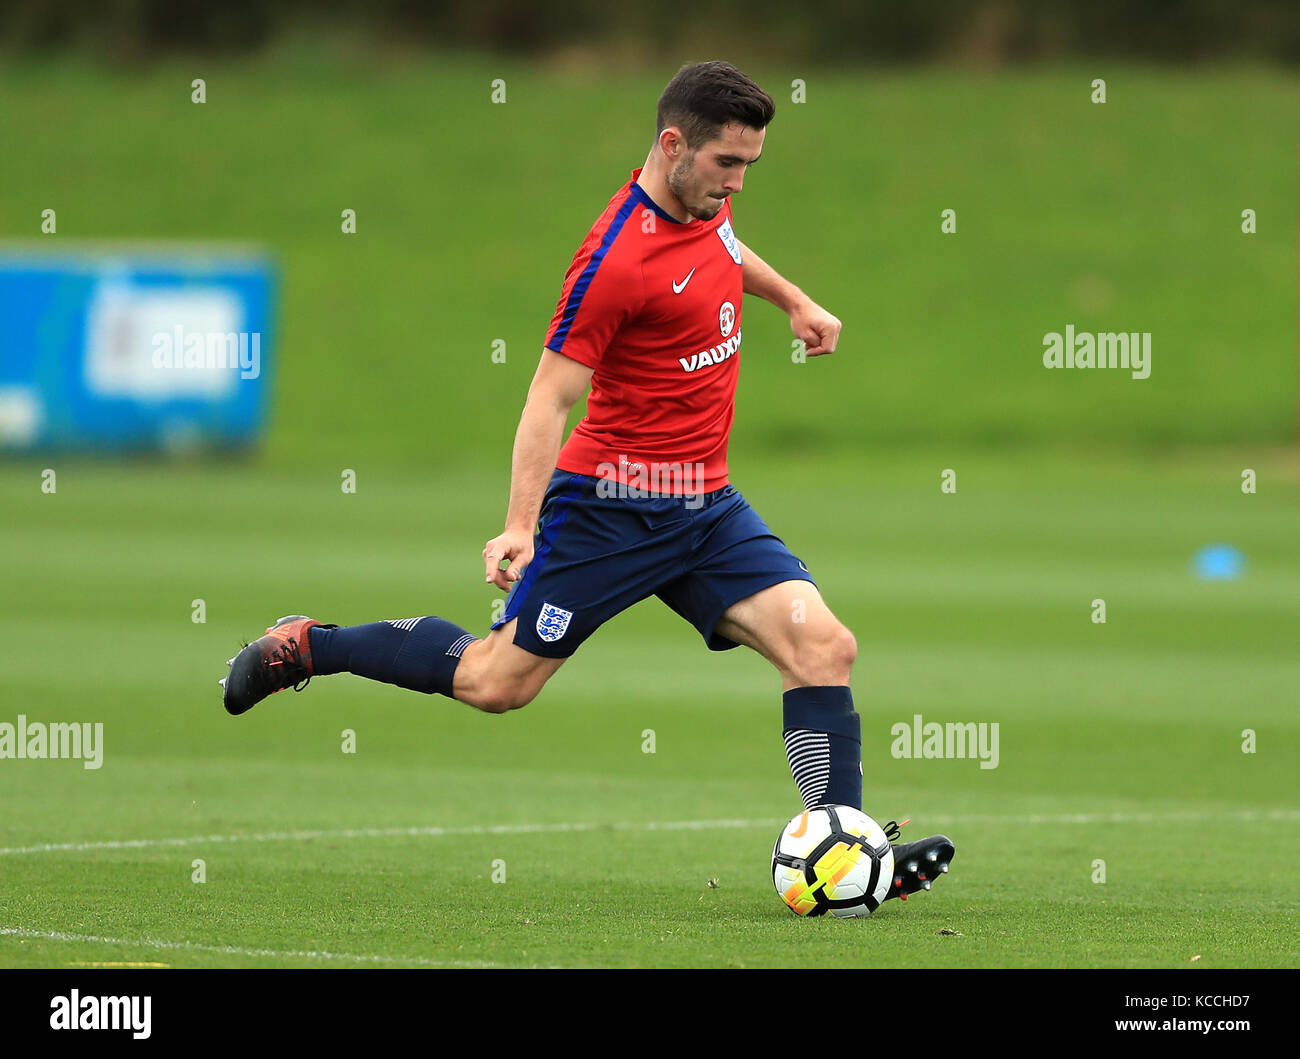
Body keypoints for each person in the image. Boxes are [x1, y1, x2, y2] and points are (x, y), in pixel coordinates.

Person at [220, 60, 953, 901]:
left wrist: (792, 299)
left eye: (751, 164)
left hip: (705, 505)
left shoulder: (708, 207)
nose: (739, 182)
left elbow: (725, 252)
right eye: (727, 163)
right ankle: (310, 644)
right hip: (609, 508)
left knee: (825, 646)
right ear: (673, 144)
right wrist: (519, 524)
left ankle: (849, 852)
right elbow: (549, 397)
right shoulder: (614, 261)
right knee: (498, 684)